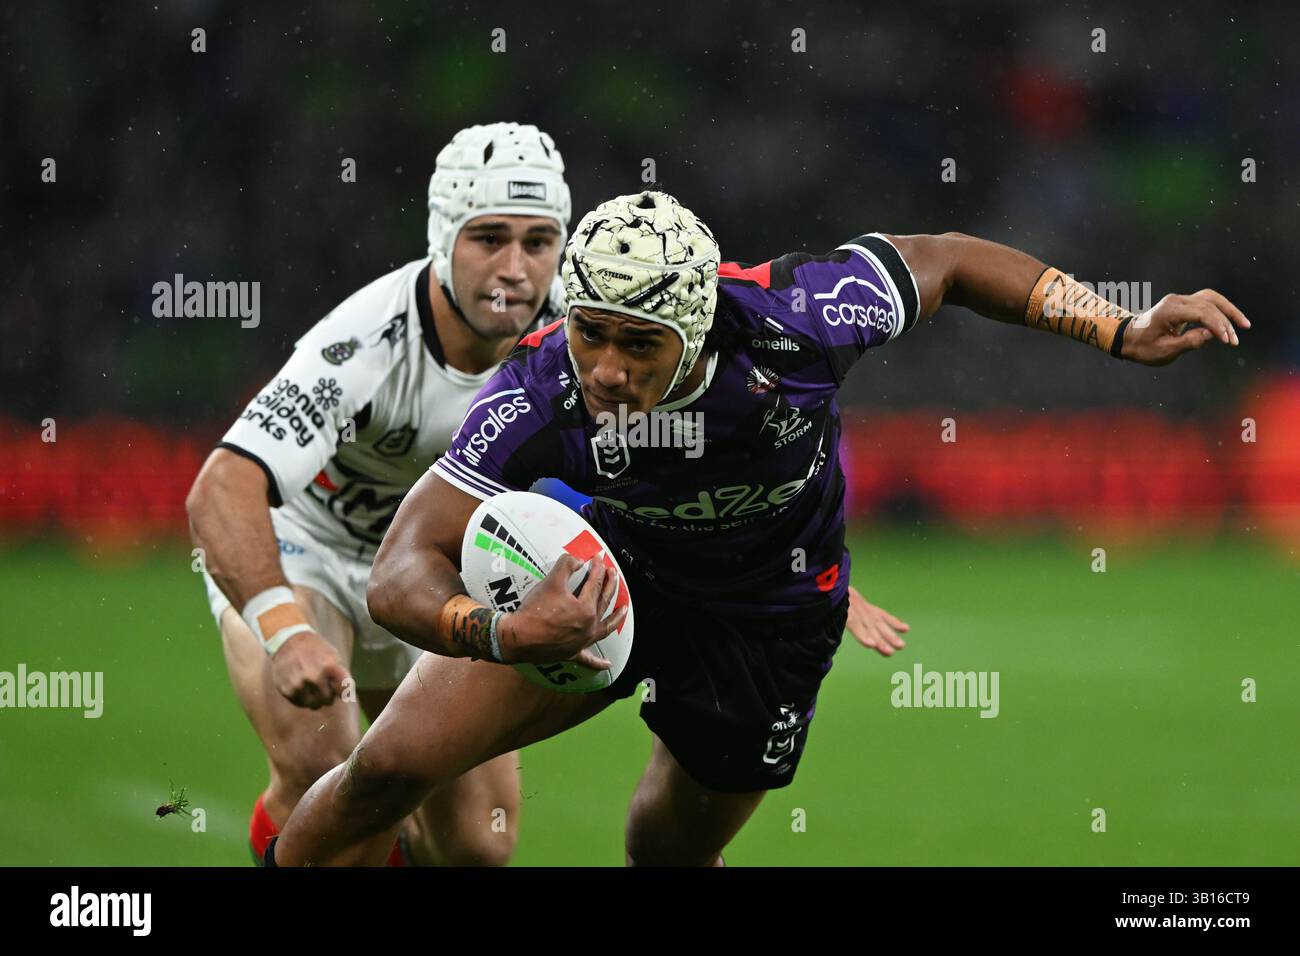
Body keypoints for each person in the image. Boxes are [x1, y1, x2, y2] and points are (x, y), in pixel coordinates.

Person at [268, 189, 1247, 866]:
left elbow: (945, 261)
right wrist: (494, 631)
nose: (605, 367)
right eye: (590, 330)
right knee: (386, 765)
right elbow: (402, 565)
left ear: (694, 329)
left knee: (664, 850)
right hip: (615, 581)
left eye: (638, 343)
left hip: (771, 623)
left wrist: (1113, 327)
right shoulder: (538, 385)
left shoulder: (802, 319)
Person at [185, 122, 571, 865]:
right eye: (489, 237)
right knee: (327, 775)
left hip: (440, 569)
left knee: (475, 846)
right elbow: (223, 486)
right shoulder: (366, 341)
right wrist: (285, 627)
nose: (517, 267)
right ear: (442, 236)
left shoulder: (573, 339)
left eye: (539, 240)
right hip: (312, 552)